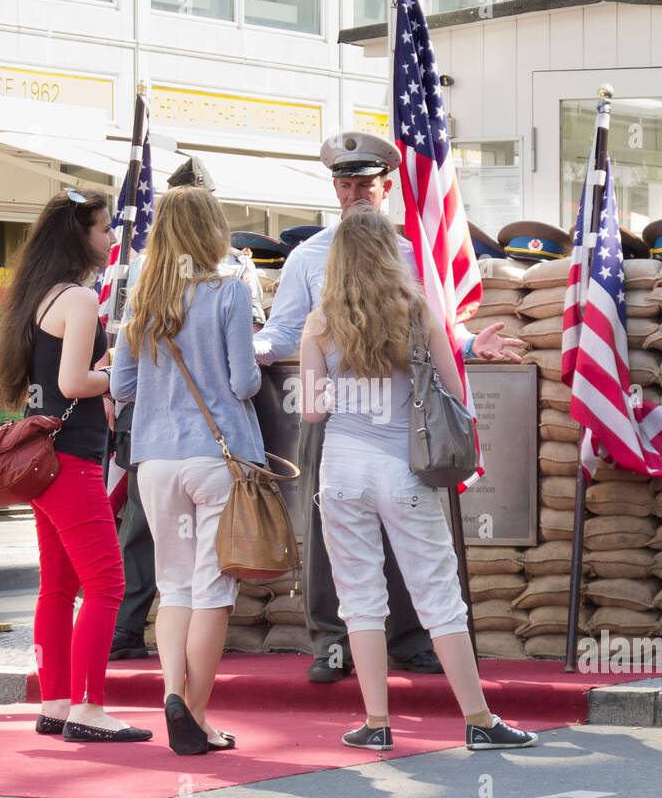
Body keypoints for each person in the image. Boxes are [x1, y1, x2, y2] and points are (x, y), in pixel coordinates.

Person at [254, 130, 523, 683]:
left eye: (365, 186)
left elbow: (428, 334)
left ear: (387, 189)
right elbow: (287, 332)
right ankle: (331, 643)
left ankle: (408, 639)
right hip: (331, 414)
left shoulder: (410, 254)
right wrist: (253, 346)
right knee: (331, 536)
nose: (354, 195)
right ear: (334, 189)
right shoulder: (308, 256)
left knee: (409, 526)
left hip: (405, 413)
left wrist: (472, 346)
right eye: (345, 184)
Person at [299, 209, 537, 751]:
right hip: (404, 466)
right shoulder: (417, 312)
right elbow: (451, 391)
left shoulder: (319, 322)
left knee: (358, 597)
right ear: (391, 257)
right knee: (437, 594)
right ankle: (478, 719)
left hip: (341, 468)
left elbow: (312, 413)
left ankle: (377, 724)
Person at [0, 187, 151, 742]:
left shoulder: (37, 298)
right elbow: (73, 383)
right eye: (104, 229)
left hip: (43, 462)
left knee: (56, 587)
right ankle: (88, 709)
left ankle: (57, 702)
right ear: (79, 236)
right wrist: (126, 379)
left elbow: (49, 383)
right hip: (73, 461)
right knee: (106, 583)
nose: (111, 238)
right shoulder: (79, 300)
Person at [112, 186, 264, 755]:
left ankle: (172, 691)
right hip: (215, 457)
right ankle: (195, 714)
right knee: (214, 589)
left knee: (173, 587)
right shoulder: (228, 290)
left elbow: (123, 386)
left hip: (154, 459)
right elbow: (245, 382)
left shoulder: (141, 298)